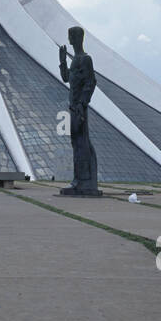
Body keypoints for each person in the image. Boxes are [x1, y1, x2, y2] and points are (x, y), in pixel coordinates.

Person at [58, 24, 100, 196]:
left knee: (82, 143)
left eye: (71, 36)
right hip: (72, 106)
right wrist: (62, 61)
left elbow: (91, 82)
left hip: (79, 108)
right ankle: (79, 179)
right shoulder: (75, 59)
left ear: (78, 38)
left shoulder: (85, 59)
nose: (69, 40)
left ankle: (85, 181)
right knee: (76, 142)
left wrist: (82, 104)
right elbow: (66, 78)